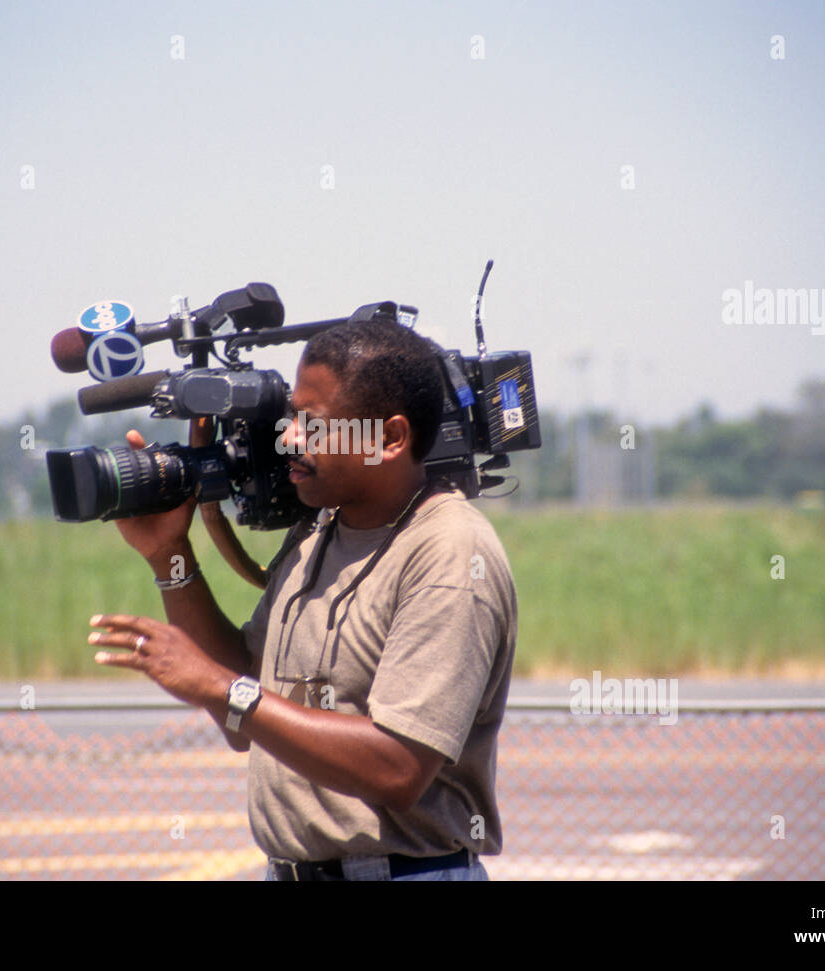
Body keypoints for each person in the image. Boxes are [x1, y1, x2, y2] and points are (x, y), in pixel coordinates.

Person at [88, 319, 517, 880]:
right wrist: (171, 558)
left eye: (312, 425)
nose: (288, 438)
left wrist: (221, 688)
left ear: (389, 438)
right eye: (291, 419)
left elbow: (398, 767)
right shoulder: (318, 531)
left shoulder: (449, 550)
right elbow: (249, 711)